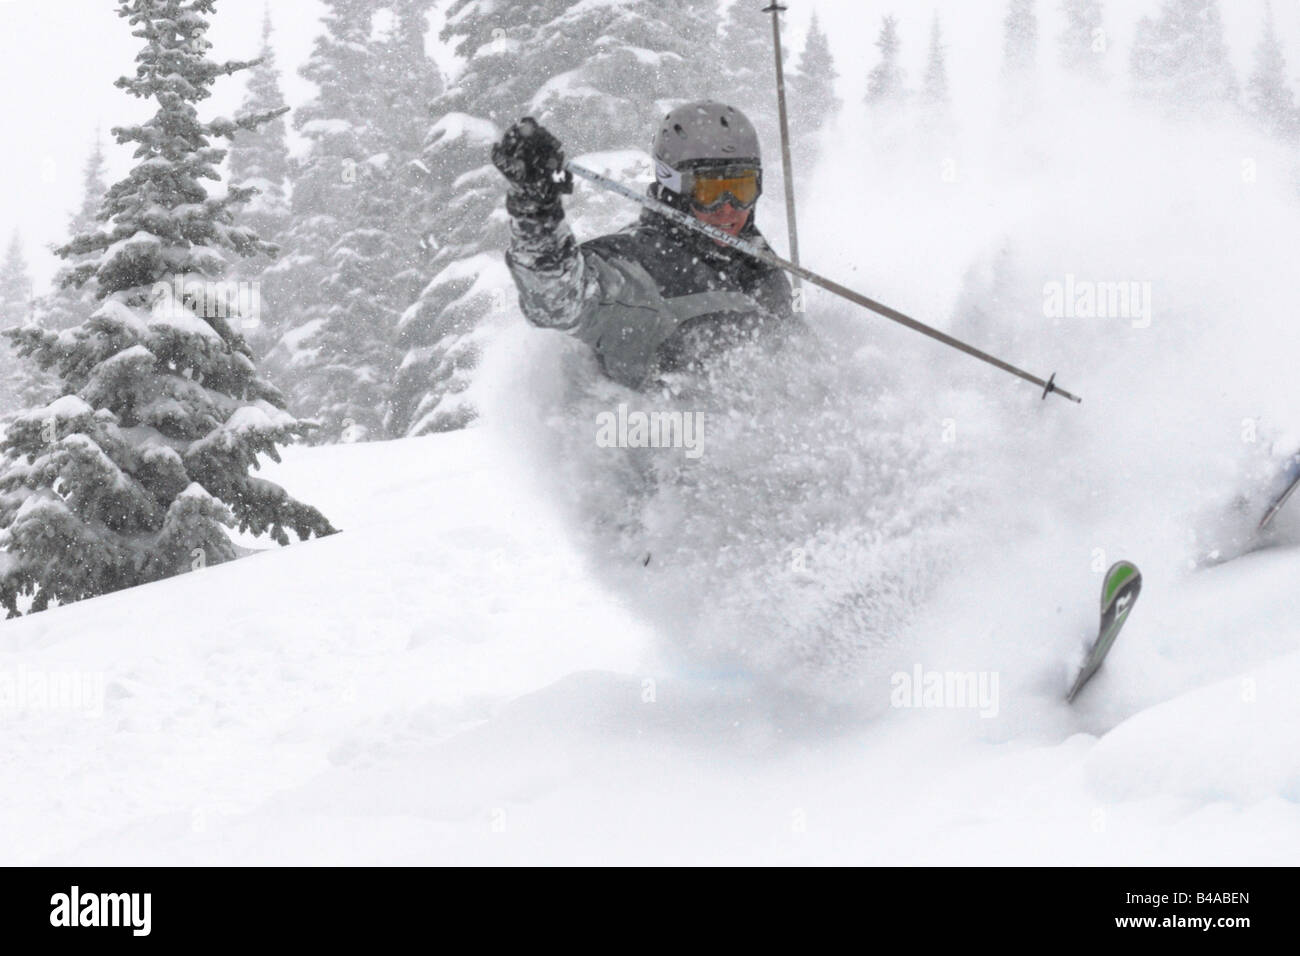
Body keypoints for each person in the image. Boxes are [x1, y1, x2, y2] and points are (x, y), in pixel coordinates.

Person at [491, 101, 798, 390]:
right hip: (667, 439)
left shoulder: (755, 264)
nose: (728, 207)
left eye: (741, 189)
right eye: (710, 191)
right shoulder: (638, 266)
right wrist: (535, 207)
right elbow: (557, 302)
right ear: (673, 189)